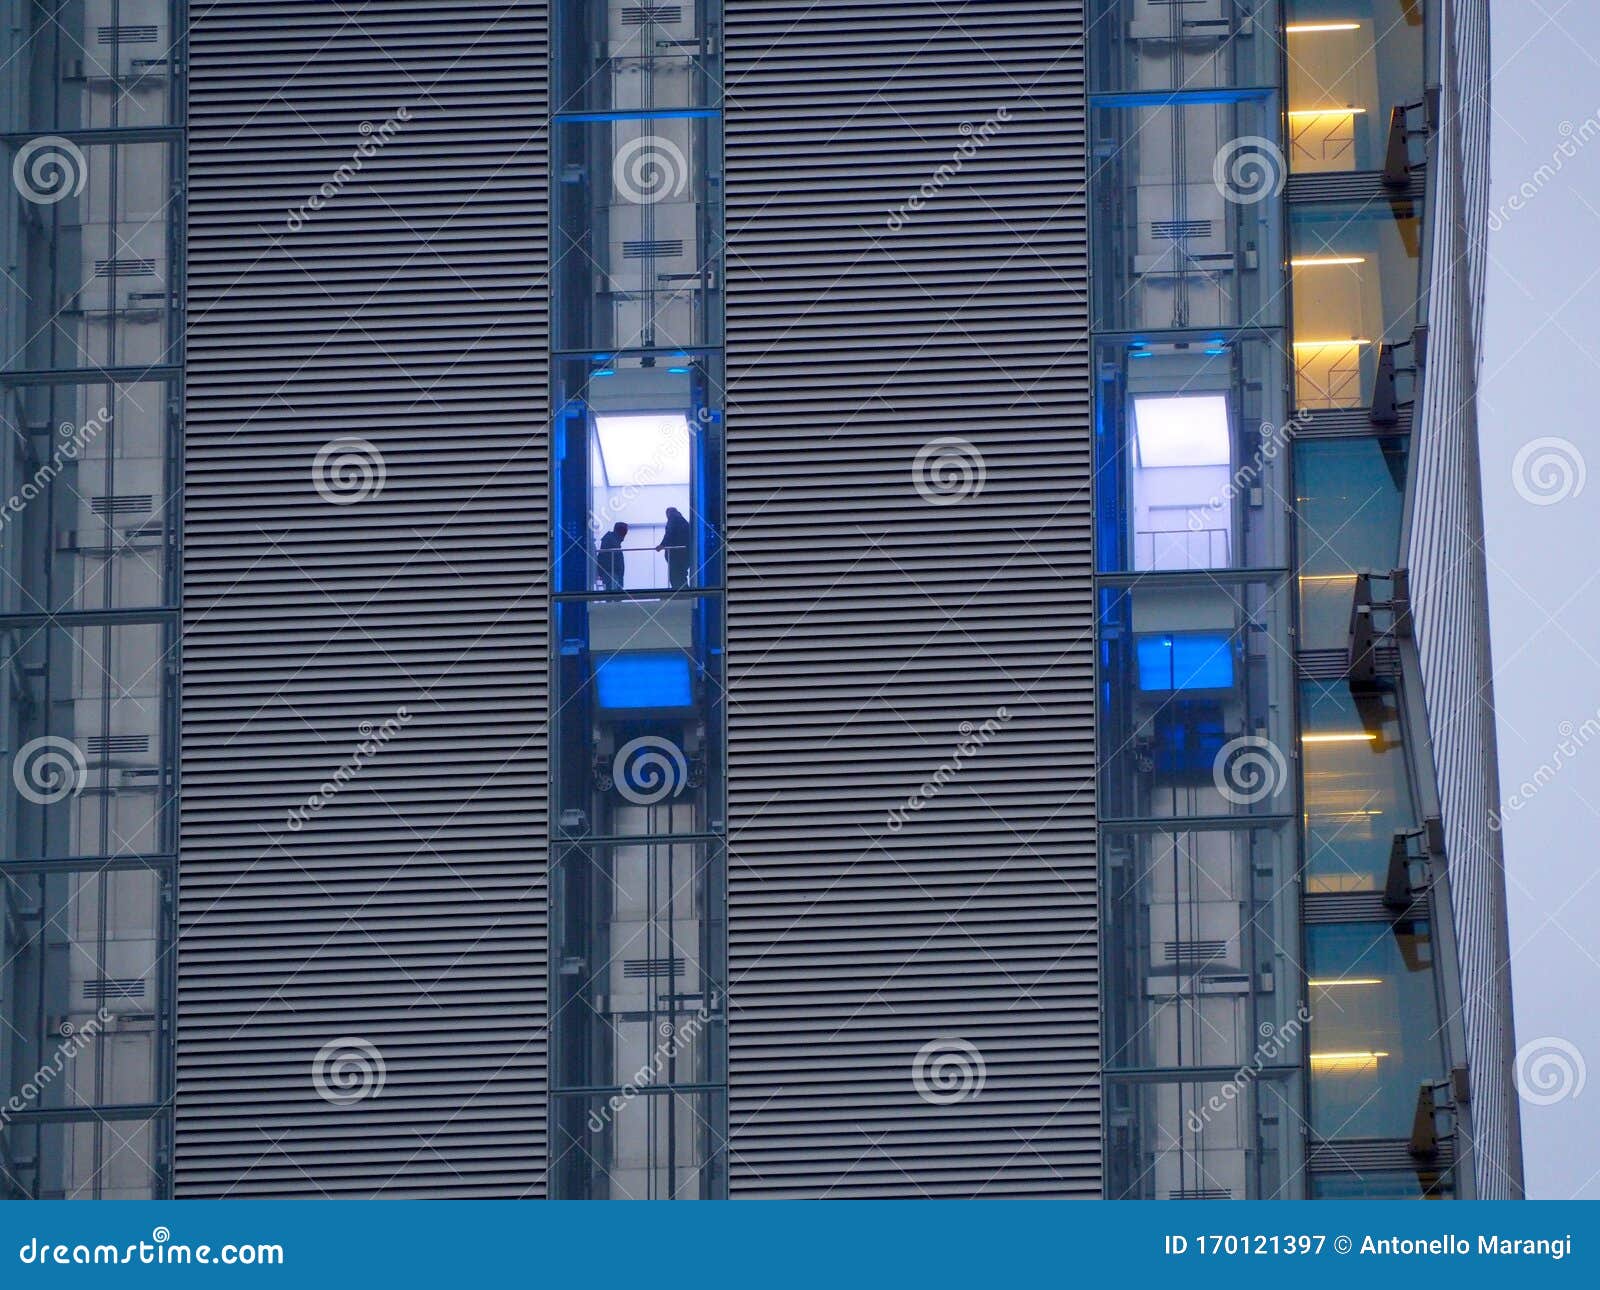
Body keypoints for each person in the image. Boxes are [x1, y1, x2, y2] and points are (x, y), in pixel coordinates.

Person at [657, 507, 691, 589]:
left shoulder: (673, 519)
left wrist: (662, 545)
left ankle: (679, 595)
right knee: (682, 575)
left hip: (675, 554)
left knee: (674, 576)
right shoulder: (684, 522)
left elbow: (669, 533)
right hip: (685, 554)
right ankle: (686, 593)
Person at [597, 521, 628, 592]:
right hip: (612, 572)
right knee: (613, 594)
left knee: (613, 594)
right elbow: (609, 559)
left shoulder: (610, 540)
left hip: (613, 572)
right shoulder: (612, 543)